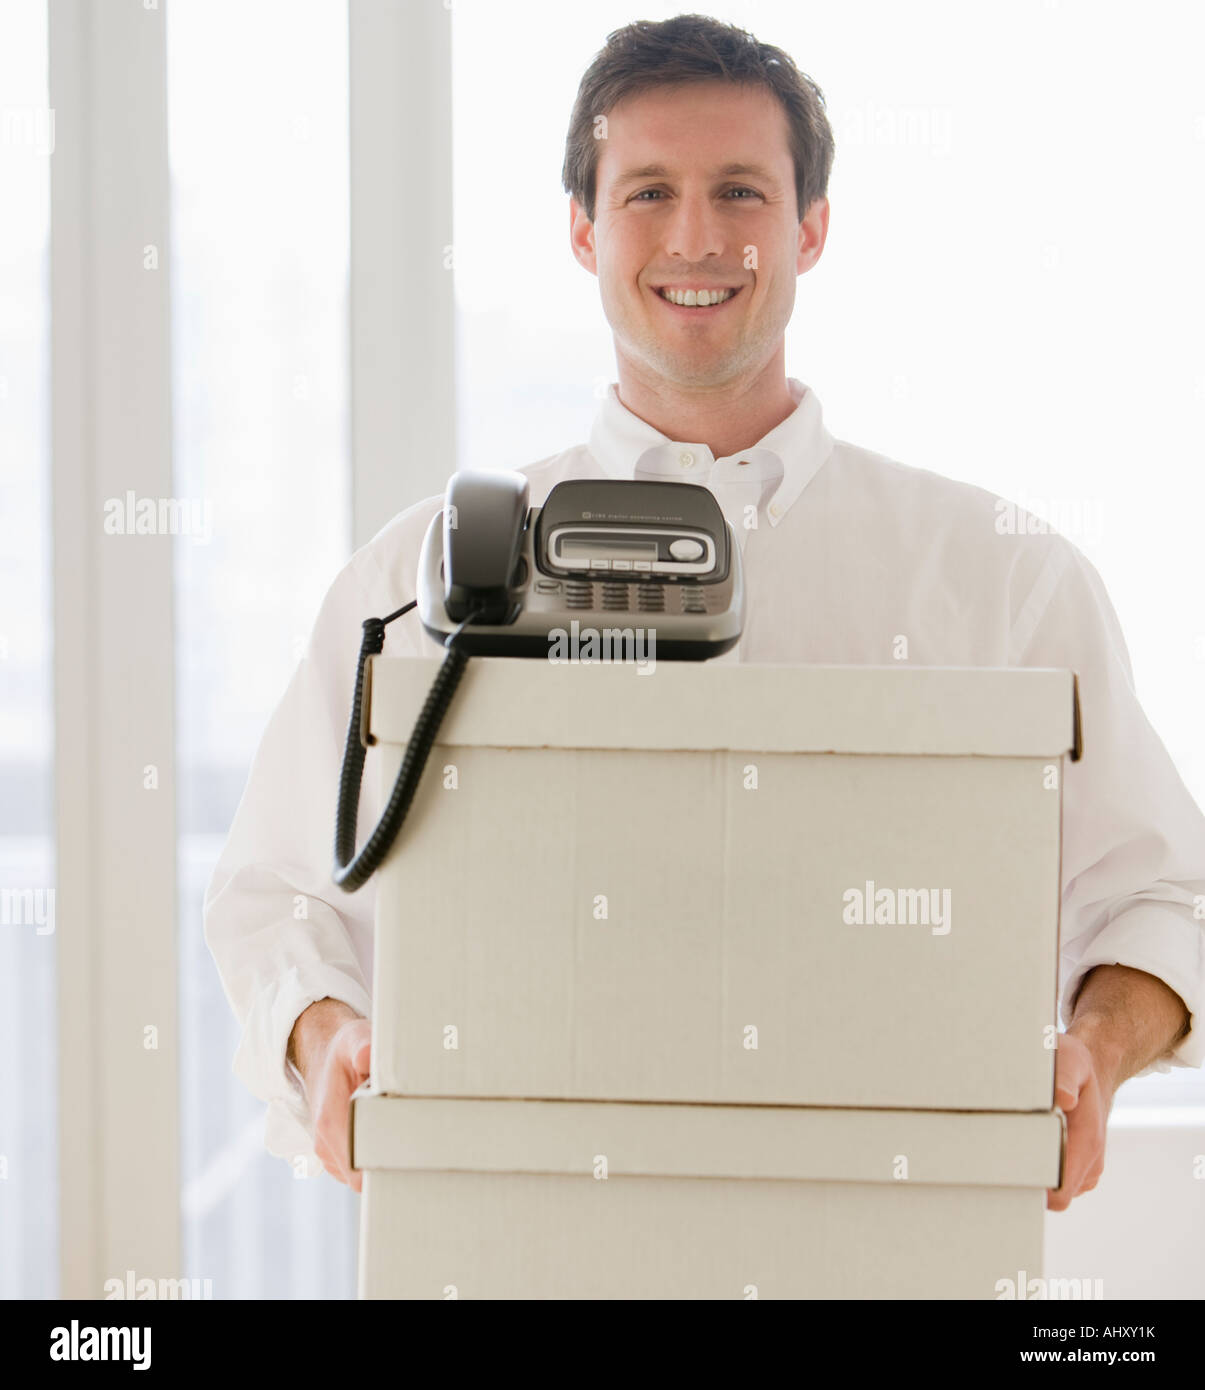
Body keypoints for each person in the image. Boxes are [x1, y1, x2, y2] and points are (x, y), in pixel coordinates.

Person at [204, 13, 1204, 1210]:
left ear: (809, 228)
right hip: (513, 1234)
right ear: (581, 230)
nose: (695, 236)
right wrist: (328, 1040)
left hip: (894, 1236)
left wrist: (1093, 1045)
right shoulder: (413, 582)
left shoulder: (1001, 575)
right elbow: (274, 894)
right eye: (646, 192)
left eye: (739, 190)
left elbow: (1160, 895)